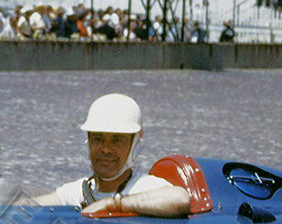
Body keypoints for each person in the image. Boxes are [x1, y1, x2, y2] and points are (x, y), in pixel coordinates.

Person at [32, 93, 195, 217]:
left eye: (117, 140)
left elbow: (180, 199)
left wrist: (113, 204)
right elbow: (28, 206)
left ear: (134, 144)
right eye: (98, 139)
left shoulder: (144, 187)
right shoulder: (78, 191)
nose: (106, 149)